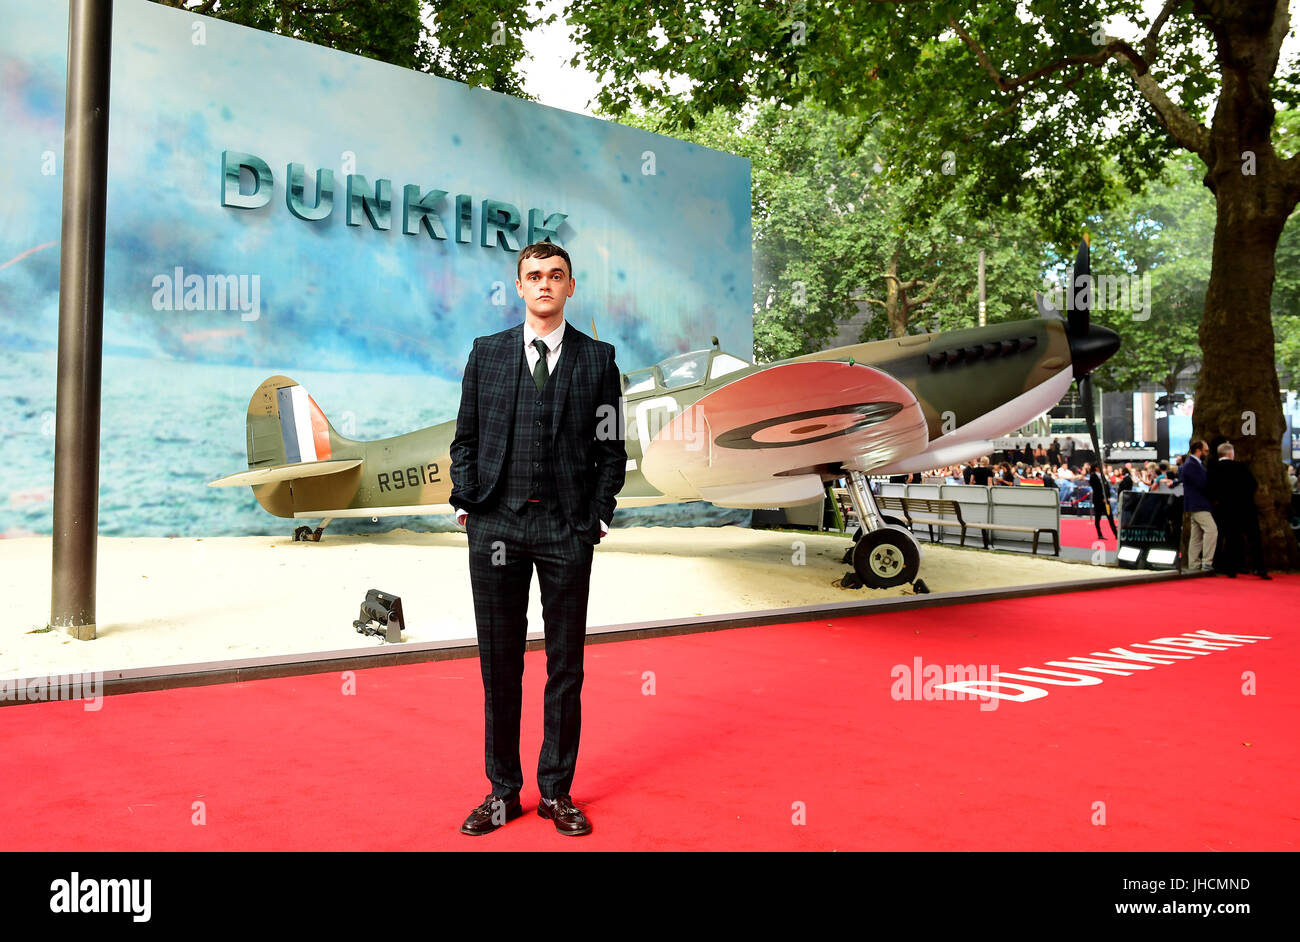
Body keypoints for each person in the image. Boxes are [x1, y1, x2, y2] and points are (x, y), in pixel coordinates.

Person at [450, 240, 627, 837]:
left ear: (570, 287)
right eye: (534, 276)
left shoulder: (599, 360)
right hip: (495, 524)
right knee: (500, 666)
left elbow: (610, 449)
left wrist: (597, 516)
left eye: (556, 276)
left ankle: (556, 791)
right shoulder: (487, 354)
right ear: (519, 286)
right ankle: (502, 792)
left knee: (564, 666)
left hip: (565, 529)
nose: (545, 284)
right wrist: (469, 497)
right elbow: (465, 440)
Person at [1207, 441, 1269, 579]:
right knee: (1254, 538)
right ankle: (1260, 569)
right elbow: (1253, 484)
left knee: (1231, 539)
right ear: (1230, 453)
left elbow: (1210, 490)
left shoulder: (1213, 468)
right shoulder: (1241, 466)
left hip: (1225, 509)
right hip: (1245, 507)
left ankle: (1231, 570)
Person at [1182, 439, 1216, 572]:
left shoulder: (1193, 464)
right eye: (1205, 450)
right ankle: (1207, 562)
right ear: (1198, 450)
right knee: (1212, 530)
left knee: (1196, 536)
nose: (1207, 453)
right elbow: (1202, 484)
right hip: (1199, 504)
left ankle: (1194, 564)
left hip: (1195, 504)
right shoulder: (1192, 465)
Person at [1087, 461, 1117, 539]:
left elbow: (1107, 487)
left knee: (1110, 517)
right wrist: (1102, 498)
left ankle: (1116, 534)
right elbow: (1096, 489)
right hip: (1098, 501)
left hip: (1106, 501)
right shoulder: (1093, 477)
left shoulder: (1102, 476)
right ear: (1097, 467)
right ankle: (1099, 534)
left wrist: (1108, 497)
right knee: (1098, 518)